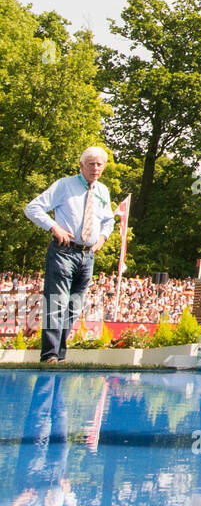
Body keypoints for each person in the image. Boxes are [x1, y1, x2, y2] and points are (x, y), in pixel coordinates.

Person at [23, 147, 115, 364]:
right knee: (57, 303)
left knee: (74, 306)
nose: (95, 168)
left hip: (87, 255)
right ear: (81, 165)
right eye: (91, 164)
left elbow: (109, 220)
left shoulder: (102, 191)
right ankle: (49, 356)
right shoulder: (65, 185)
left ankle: (60, 356)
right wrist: (54, 227)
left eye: (99, 164)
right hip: (63, 251)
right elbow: (33, 208)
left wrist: (102, 237)